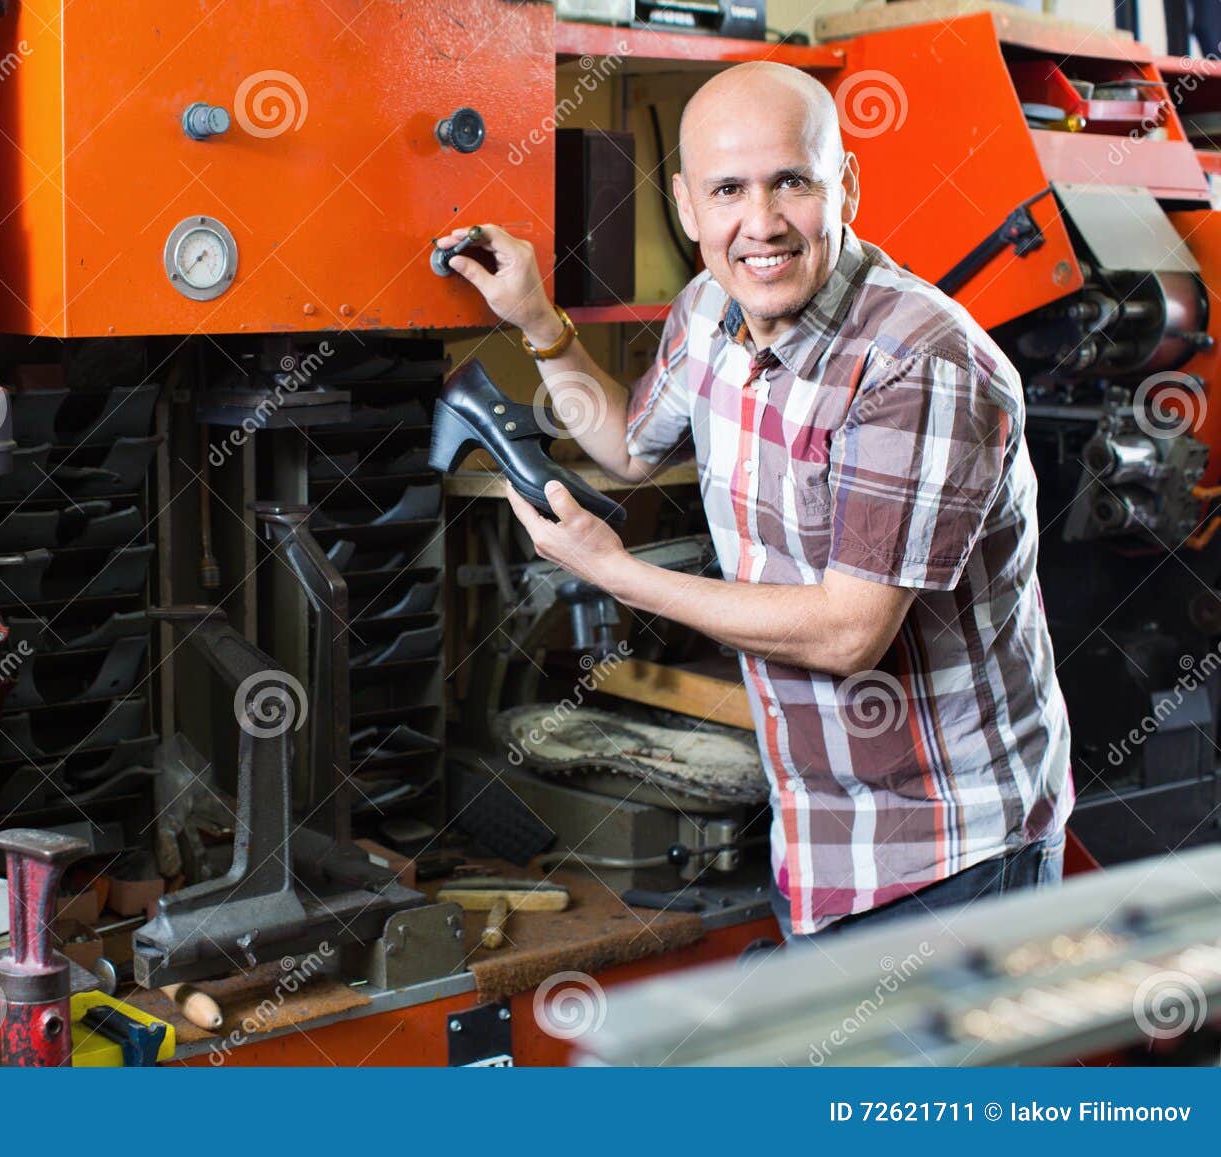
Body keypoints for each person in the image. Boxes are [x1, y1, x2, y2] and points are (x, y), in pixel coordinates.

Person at [436, 62, 1072, 939]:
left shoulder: (918, 365)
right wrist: (540, 324)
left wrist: (617, 575)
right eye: (728, 189)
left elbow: (850, 631)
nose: (761, 223)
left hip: (953, 855)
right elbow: (626, 445)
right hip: (815, 838)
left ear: (845, 184)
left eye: (792, 182)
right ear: (688, 207)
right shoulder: (709, 308)